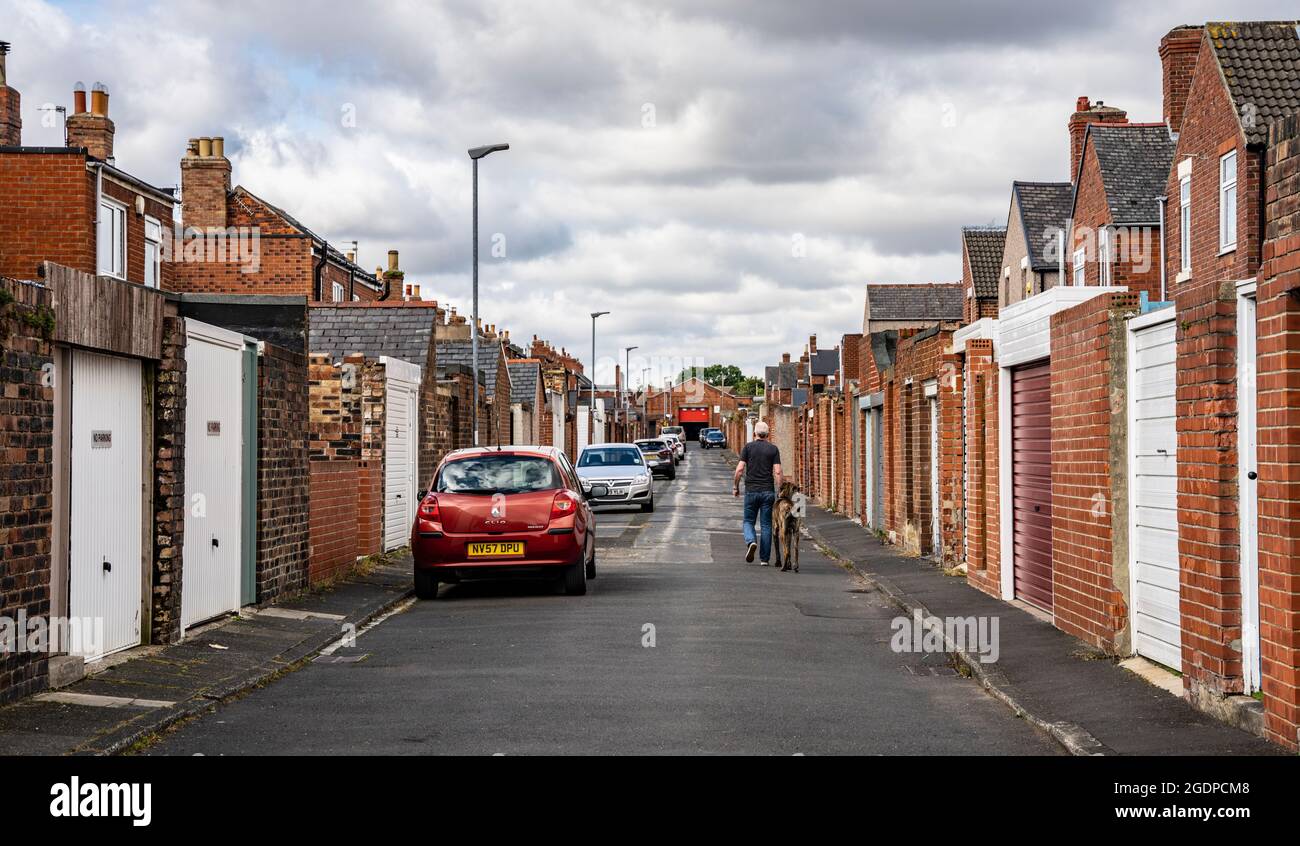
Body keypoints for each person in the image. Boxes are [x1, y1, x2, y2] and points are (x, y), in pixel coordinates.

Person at [733, 421, 782, 566]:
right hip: (768, 491)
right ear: (768, 434)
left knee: (748, 521)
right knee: (766, 525)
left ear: (754, 433)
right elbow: (778, 472)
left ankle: (751, 541)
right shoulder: (773, 449)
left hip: (751, 491)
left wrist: (736, 487)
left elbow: (739, 470)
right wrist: (780, 491)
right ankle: (764, 559)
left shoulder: (748, 448)